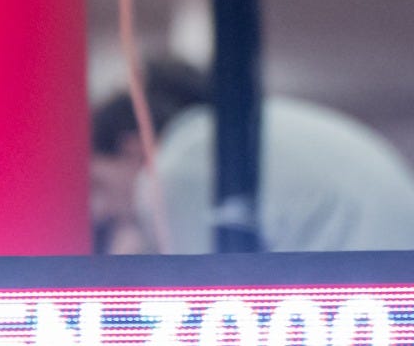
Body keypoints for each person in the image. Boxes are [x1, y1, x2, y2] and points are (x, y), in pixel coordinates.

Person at [92, 59, 414, 253]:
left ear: (134, 146)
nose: (99, 209)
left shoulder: (175, 167)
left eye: (98, 184)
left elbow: (200, 300)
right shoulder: (231, 131)